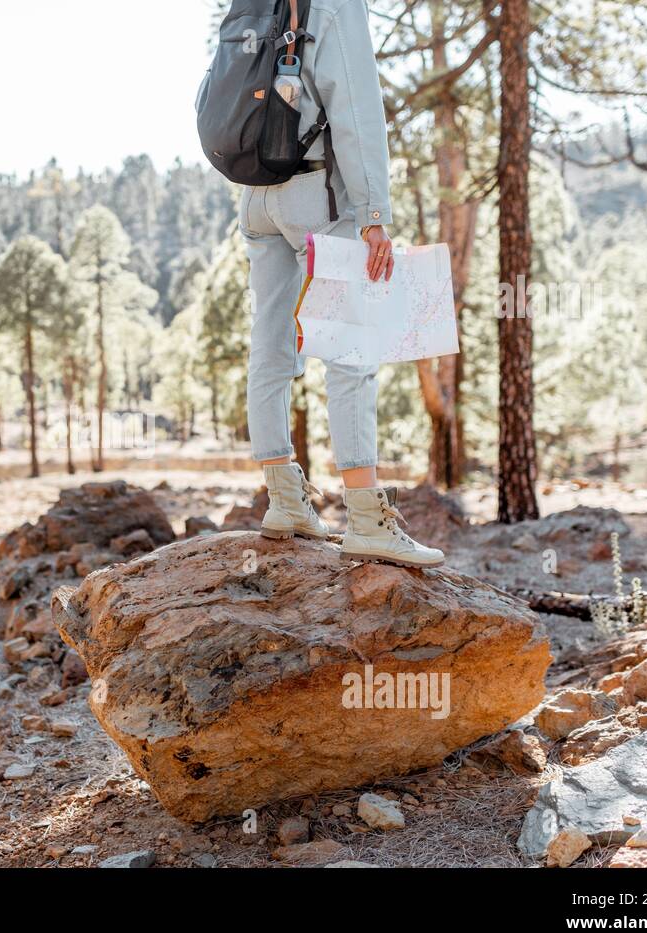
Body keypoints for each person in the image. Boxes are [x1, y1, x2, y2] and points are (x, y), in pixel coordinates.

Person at [241, 0, 444, 567]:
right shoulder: (335, 5)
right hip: (316, 193)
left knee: (270, 340)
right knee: (350, 346)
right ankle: (363, 514)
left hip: (257, 195)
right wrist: (375, 215)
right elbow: (356, 107)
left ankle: (284, 499)